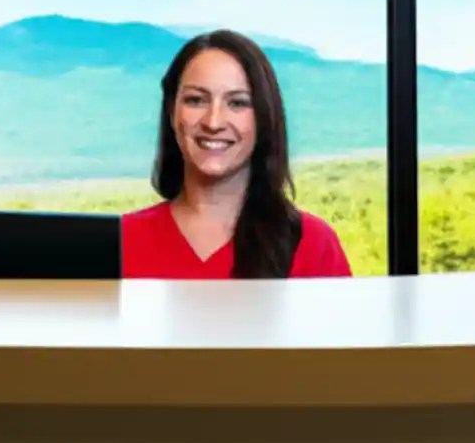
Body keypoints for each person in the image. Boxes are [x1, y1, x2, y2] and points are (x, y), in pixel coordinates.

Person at [122, 29, 352, 279]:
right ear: (171, 111)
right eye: (196, 100)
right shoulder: (120, 243)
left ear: (263, 117)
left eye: (238, 103)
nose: (214, 121)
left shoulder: (313, 245)